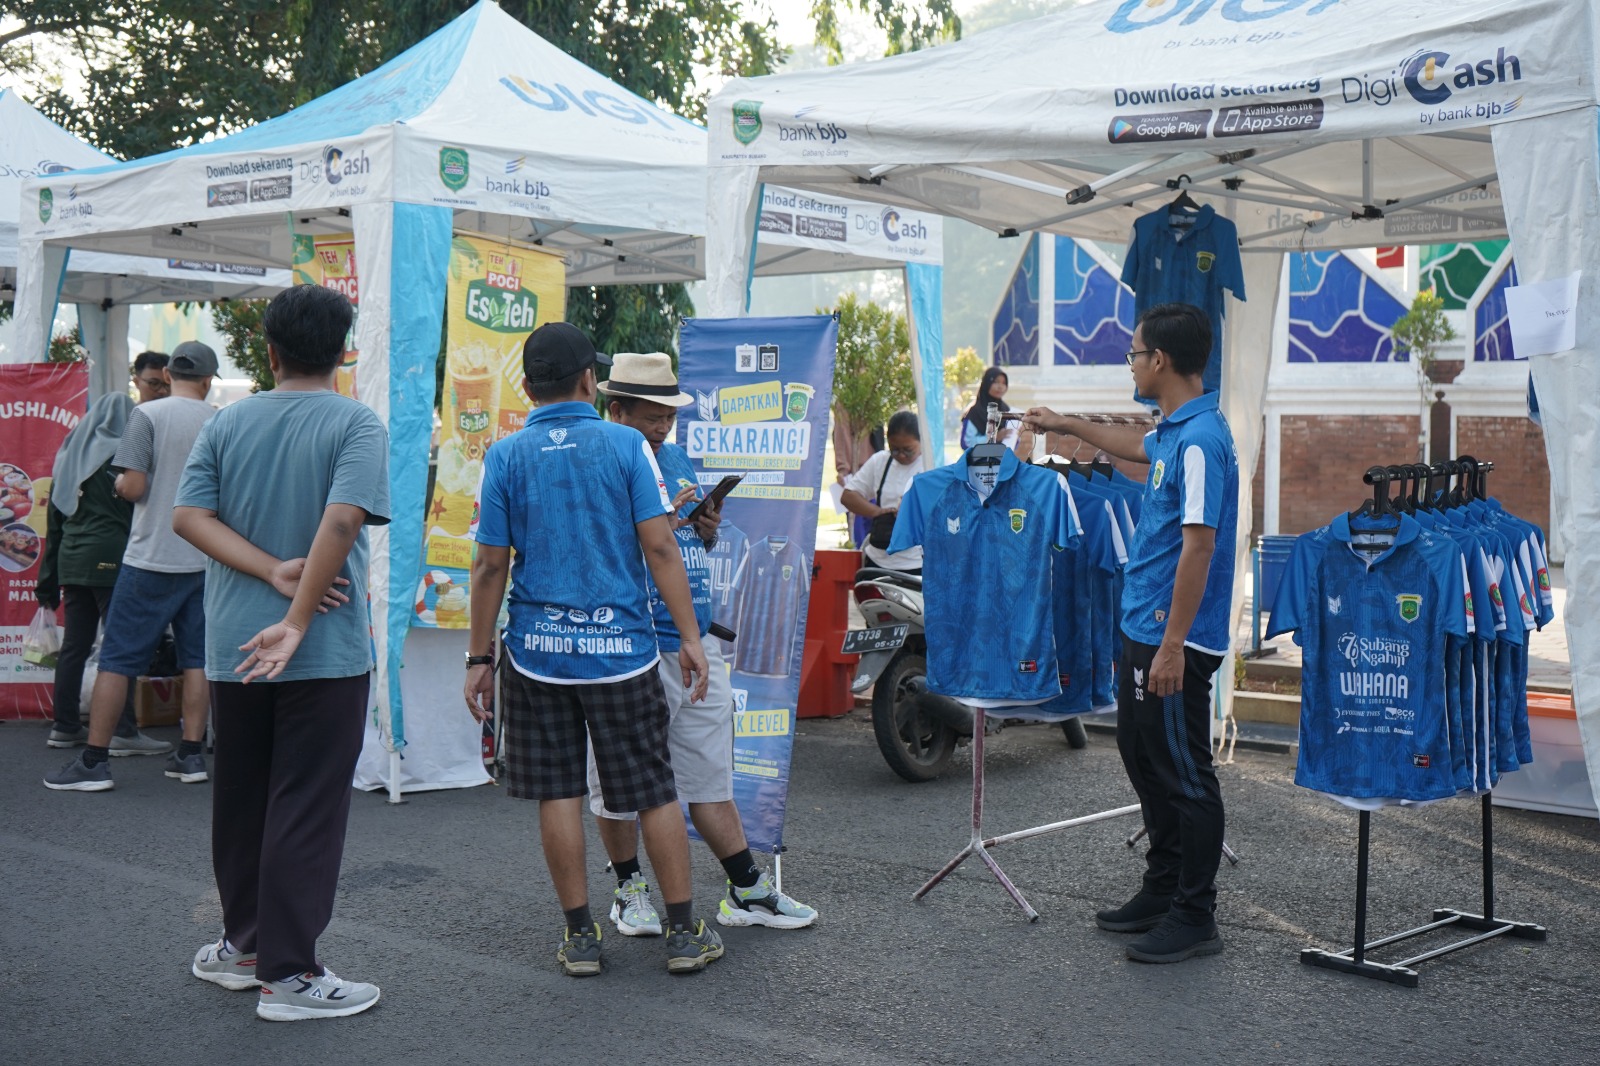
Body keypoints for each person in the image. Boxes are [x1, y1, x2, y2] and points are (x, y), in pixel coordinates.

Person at [465, 322, 725, 977]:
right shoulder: (626, 446)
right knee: (653, 790)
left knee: (559, 793)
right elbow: (662, 546)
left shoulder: (506, 456)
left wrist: (477, 657)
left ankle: (581, 937)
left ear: (527, 387)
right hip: (625, 653)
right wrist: (690, 638)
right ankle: (683, 935)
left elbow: (489, 567)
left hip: (534, 655)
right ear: (590, 381)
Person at [171, 284, 387, 1021]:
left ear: (268, 350)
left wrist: (267, 571)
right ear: (344, 351)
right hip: (321, 650)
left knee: (241, 801)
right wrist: (296, 613)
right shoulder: (355, 421)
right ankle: (290, 976)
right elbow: (344, 519)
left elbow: (188, 517)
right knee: (305, 806)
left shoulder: (229, 423)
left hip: (234, 640)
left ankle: (246, 949)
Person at [1024, 302, 1238, 964]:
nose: (1133, 363)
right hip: (1143, 625)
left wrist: (1174, 643)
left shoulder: (1201, 441)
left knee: (1184, 773)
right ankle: (1162, 883)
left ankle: (1194, 914)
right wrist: (1064, 424)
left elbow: (1199, 548)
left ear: (1161, 361)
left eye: (1135, 353)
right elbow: (1132, 447)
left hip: (1173, 636)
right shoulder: (1175, 430)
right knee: (1144, 759)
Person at [590, 352, 817, 939]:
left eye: (668, 416)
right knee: (618, 781)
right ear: (616, 410)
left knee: (710, 777)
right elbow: (629, 542)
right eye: (651, 416)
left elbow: (683, 539)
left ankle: (746, 889)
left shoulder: (674, 456)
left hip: (692, 643)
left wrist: (706, 528)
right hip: (629, 646)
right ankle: (628, 889)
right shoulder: (604, 463)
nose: (663, 428)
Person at [44, 341, 218, 792]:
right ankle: (191, 755)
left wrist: (122, 482)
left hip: (150, 557)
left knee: (118, 661)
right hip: (204, 557)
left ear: (168, 374)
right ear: (206, 379)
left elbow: (135, 485)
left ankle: (95, 762)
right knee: (198, 661)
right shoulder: (221, 419)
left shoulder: (148, 416)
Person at [36, 392, 165, 753]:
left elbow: (55, 524)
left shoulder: (69, 458)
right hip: (112, 559)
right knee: (118, 645)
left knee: (75, 646)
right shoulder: (122, 458)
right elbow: (135, 513)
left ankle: (64, 726)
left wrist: (46, 584)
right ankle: (123, 730)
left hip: (72, 562)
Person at [840, 410, 924, 574]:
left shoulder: (935, 463)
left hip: (918, 564)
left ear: (921, 442)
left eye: (908, 450)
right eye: (894, 449)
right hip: (879, 560)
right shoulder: (880, 461)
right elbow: (848, 496)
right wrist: (878, 512)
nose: (900, 455)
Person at [960, 367, 1010, 449]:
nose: (1000, 386)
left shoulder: (1006, 410)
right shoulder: (974, 411)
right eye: (996, 382)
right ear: (987, 383)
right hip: (978, 460)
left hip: (1003, 459)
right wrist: (993, 438)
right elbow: (966, 443)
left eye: (1004, 383)